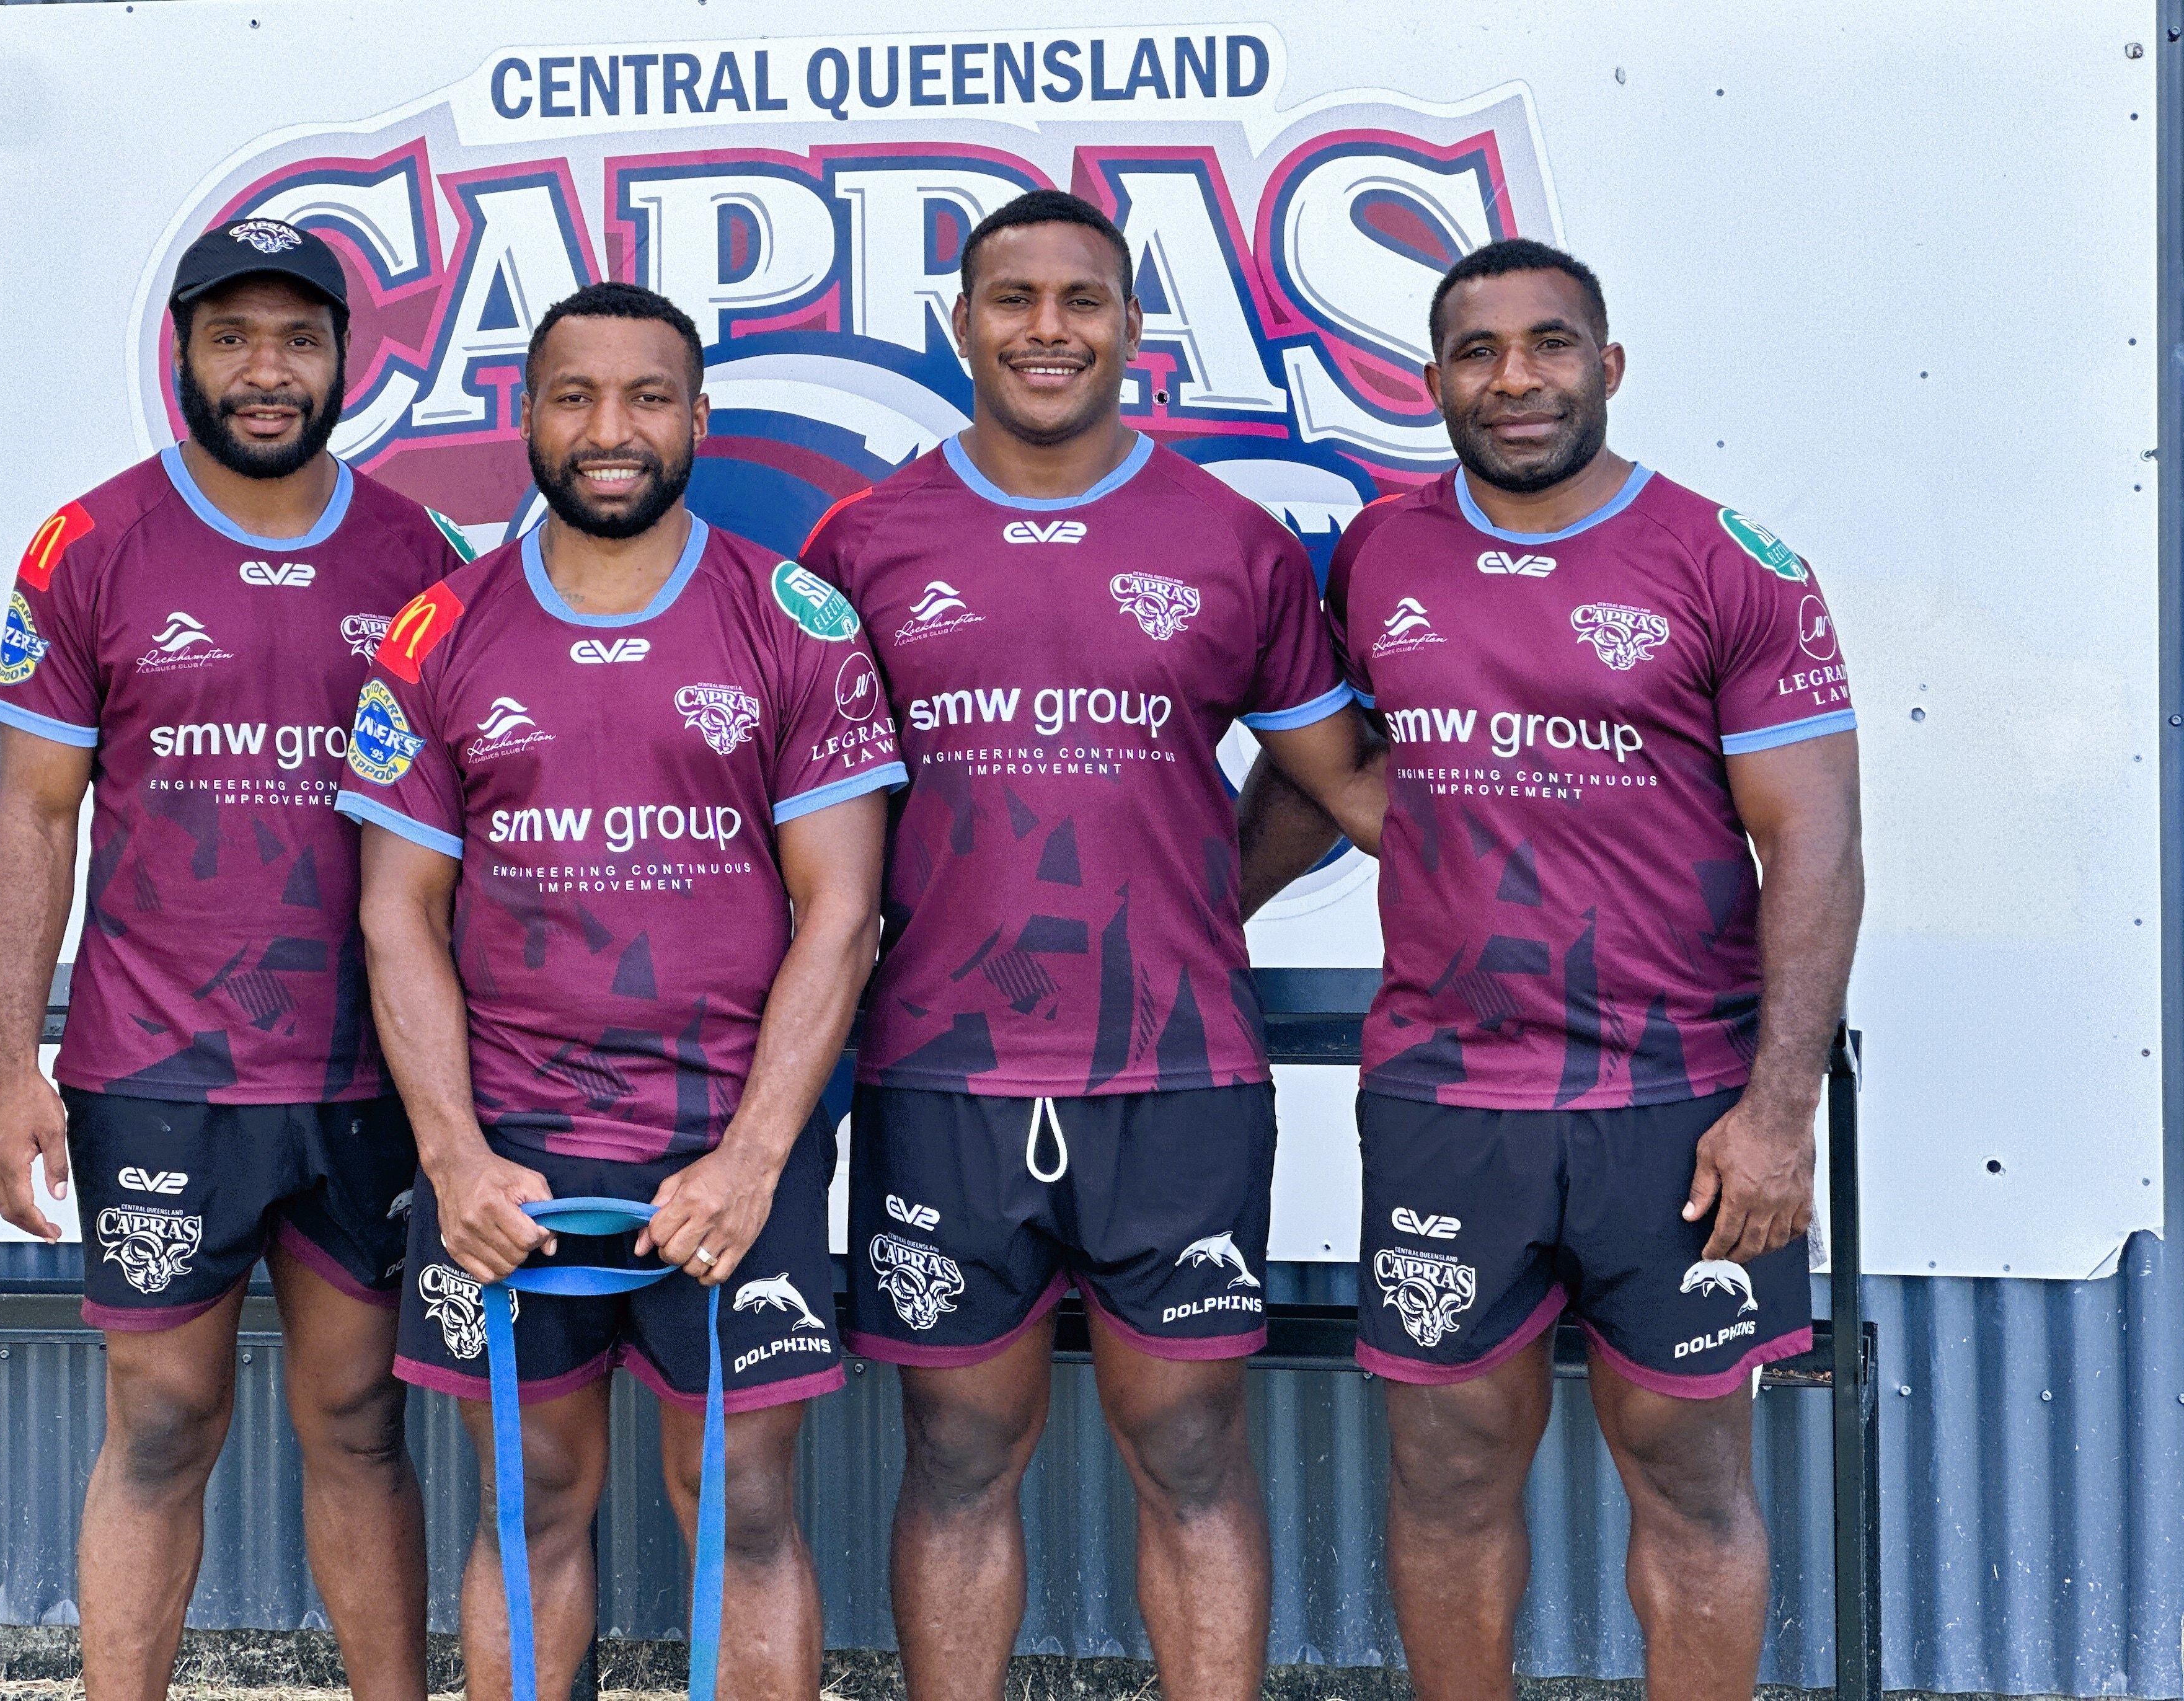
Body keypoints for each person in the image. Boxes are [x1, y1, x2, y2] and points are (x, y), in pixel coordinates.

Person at [1237, 237, 1865, 1701]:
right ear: (1434, 378)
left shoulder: (1726, 562)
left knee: (1688, 1467)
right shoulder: (1380, 551)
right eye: (1479, 352)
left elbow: (1819, 850)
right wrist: (1187, 916)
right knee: (1448, 1466)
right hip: (1449, 1095)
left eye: (1551, 344)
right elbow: (1324, 776)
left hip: (1685, 1101)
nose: (1516, 379)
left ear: (1609, 366)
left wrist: (1779, 1115)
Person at [799, 190, 1377, 1701]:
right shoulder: (862, 544)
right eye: (1013, 299)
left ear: (1133, 328)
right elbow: (802, 806)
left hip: (1175, 1072)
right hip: (940, 1073)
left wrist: (1204, 896)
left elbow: (1330, 783)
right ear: (962, 324)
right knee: (958, 1449)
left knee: (1190, 1447)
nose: (1046, 330)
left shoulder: (1230, 541)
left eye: (1081, 301)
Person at [341, 280, 904, 1701]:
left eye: (648, 397)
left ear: (698, 415)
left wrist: (756, 1157)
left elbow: (843, 910)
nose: (612, 429)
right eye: (576, 396)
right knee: (527, 1501)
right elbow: (395, 911)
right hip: (515, 1149)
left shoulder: (796, 620)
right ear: (523, 416)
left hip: (731, 1137)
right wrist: (455, 1157)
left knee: (750, 1505)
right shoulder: (434, 633)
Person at [0, 218, 472, 1701]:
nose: (268, 372)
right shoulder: (91, 543)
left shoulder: (421, 558)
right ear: (180, 351)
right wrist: (11, 1070)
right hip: (161, 1073)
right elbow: (33, 818)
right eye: (233, 338)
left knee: (359, 1421)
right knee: (163, 1420)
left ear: (345, 360)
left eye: (299, 340)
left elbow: (470, 845)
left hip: (365, 1074)